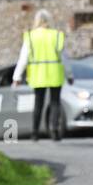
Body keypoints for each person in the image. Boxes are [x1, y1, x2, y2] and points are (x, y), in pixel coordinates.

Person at [13, 9, 72, 142]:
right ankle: (54, 130)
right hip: (54, 74)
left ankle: (35, 132)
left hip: (37, 75)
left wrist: (16, 77)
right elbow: (64, 58)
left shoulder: (31, 36)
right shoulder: (56, 35)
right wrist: (69, 75)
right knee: (55, 102)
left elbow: (23, 59)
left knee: (38, 103)